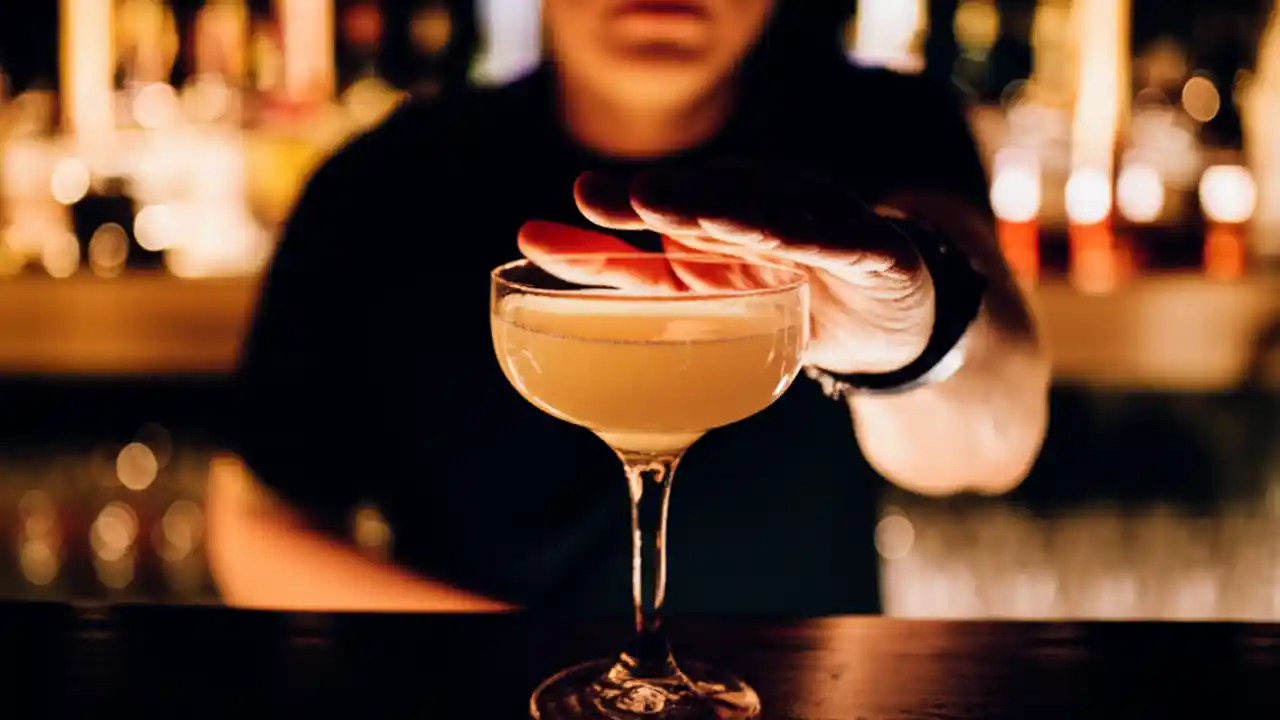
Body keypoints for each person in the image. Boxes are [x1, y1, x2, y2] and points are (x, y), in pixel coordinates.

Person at [208, 0, 1050, 615]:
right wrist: (532, 665)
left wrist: (912, 337)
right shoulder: (386, 181)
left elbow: (992, 443)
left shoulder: (882, 128)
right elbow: (254, 531)